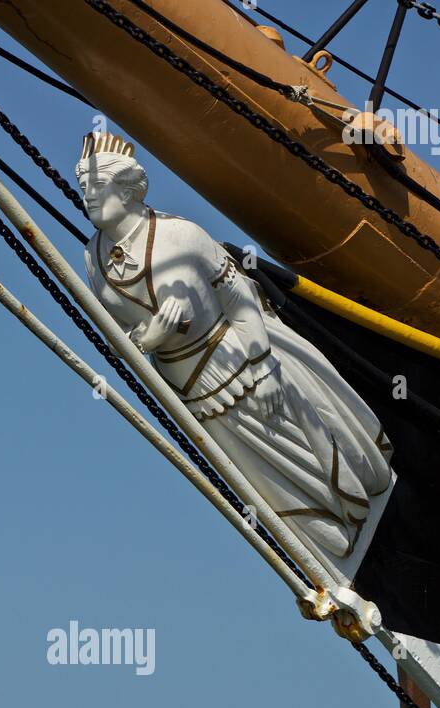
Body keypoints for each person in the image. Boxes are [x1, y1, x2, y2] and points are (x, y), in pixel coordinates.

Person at [77, 131, 393, 563]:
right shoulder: (93, 261)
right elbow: (115, 341)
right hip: (196, 397)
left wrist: (263, 368)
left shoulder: (180, 237)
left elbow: (241, 298)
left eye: (96, 186)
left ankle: (359, 521)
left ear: (130, 189)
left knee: (324, 466)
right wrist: (148, 339)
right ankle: (333, 550)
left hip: (244, 366)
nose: (87, 196)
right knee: (279, 494)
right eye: (82, 187)